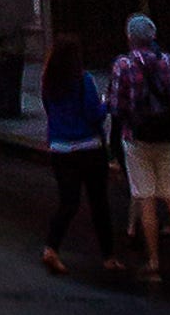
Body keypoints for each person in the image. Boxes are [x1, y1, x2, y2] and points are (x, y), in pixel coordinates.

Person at [109, 14, 170, 279]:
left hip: (137, 135)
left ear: (130, 37)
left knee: (146, 198)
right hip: (166, 135)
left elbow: (118, 105)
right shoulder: (169, 61)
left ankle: (154, 260)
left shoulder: (123, 64)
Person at [39, 33, 125, 276]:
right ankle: (108, 257)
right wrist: (106, 103)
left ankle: (51, 248)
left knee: (68, 201)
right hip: (88, 147)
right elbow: (93, 114)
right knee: (99, 202)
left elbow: (49, 111)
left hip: (60, 148)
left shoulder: (48, 83)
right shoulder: (83, 80)